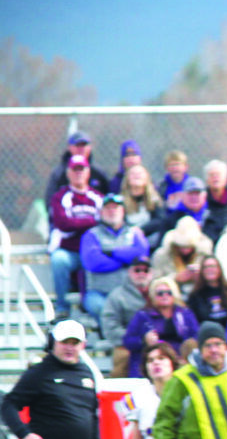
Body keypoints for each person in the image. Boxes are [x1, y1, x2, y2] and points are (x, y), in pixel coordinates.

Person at [48, 153, 103, 319]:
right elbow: (63, 224)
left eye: (82, 169)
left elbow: (105, 222)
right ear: (68, 173)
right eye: (74, 169)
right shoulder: (61, 197)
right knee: (58, 260)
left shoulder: (97, 197)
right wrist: (92, 221)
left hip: (91, 251)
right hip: (69, 250)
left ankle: (89, 304)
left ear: (88, 172)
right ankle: (62, 306)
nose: (78, 173)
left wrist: (78, 223)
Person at [79, 194, 149, 324]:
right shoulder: (91, 235)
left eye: (115, 208)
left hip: (130, 292)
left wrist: (111, 252)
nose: (112, 211)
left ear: (122, 211)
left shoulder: (134, 233)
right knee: (102, 307)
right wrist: (124, 260)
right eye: (108, 208)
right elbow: (93, 262)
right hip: (99, 293)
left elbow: (141, 254)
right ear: (101, 212)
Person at [122, 277, 200, 377]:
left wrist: (185, 353)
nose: (165, 296)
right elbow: (127, 341)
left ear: (174, 294)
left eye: (169, 292)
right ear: (153, 296)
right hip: (152, 362)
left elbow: (196, 337)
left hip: (180, 361)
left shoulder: (185, 313)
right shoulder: (142, 315)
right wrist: (144, 340)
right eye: (160, 293)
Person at [101, 256, 153, 377]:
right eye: (137, 270)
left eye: (146, 270)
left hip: (158, 342)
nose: (141, 274)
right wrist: (136, 339)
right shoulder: (117, 295)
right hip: (127, 344)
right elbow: (110, 327)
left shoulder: (160, 292)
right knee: (122, 356)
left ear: (152, 273)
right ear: (129, 272)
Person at [151, 214, 213, 300]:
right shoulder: (161, 255)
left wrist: (201, 277)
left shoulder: (205, 254)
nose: (185, 250)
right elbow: (154, 283)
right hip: (170, 298)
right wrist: (175, 278)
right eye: (181, 247)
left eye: (188, 247)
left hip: (200, 297)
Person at [44, 130, 109, 209]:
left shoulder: (98, 173)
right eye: (78, 145)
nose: (81, 149)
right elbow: (50, 201)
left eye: (84, 145)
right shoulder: (59, 173)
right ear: (69, 147)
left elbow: (108, 198)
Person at [187, 254, 227, 327]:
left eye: (213, 266)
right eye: (206, 267)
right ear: (202, 271)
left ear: (219, 269)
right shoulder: (195, 295)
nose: (210, 269)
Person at [119, 163, 165, 247]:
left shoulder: (155, 200)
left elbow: (160, 220)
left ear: (146, 178)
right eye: (133, 174)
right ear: (127, 179)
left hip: (150, 241)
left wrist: (141, 230)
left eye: (140, 173)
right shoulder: (120, 201)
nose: (136, 175)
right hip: (127, 241)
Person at [202, 159, 227, 242]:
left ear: (226, 180)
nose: (215, 178)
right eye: (212, 175)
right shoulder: (202, 201)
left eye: (218, 175)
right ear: (207, 180)